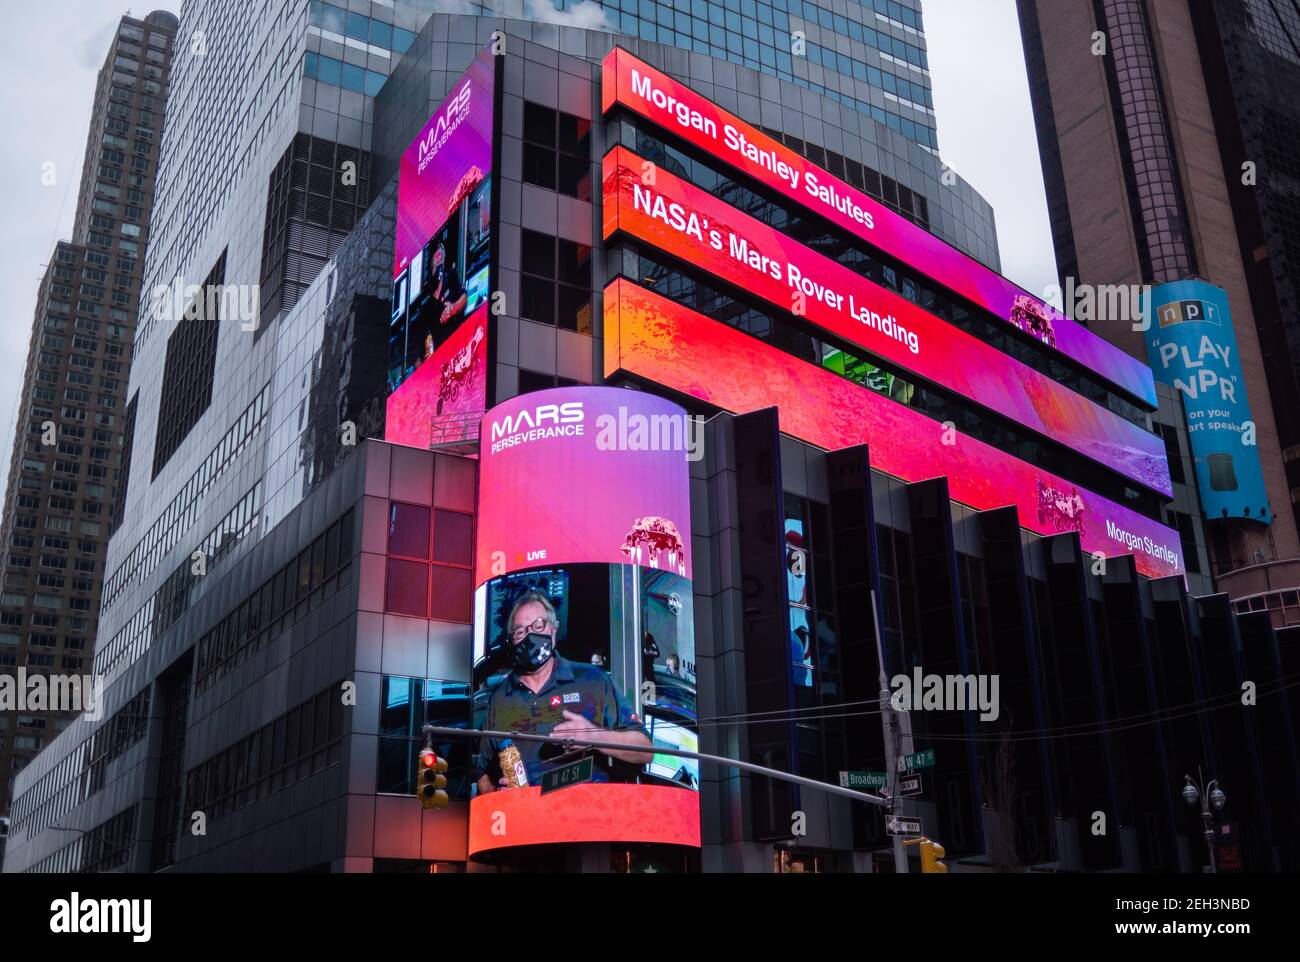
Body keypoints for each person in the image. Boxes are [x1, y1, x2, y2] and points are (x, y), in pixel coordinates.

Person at [476, 592, 653, 793]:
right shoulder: (499, 699)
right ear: (512, 640)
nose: (529, 635)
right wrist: (498, 798)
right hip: (527, 820)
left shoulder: (592, 680)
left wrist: (595, 737)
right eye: (520, 631)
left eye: (538, 625)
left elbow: (645, 749)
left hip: (588, 816)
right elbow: (483, 776)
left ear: (553, 630)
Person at [429, 242, 467, 326]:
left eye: (441, 255)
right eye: (437, 256)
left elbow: (464, 298)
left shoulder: (451, 276)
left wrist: (453, 308)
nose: (439, 257)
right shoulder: (428, 298)